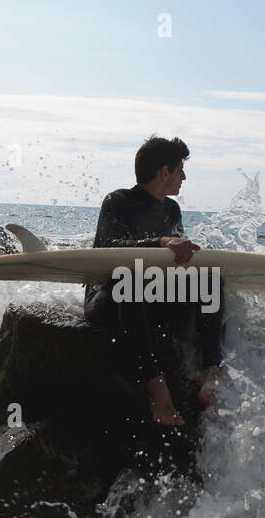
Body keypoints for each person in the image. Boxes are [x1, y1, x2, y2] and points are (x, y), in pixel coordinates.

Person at [84, 135, 224, 426]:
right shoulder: (118, 201)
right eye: (180, 170)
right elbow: (108, 248)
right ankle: (156, 385)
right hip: (110, 297)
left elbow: (179, 262)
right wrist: (160, 242)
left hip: (151, 296)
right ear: (164, 172)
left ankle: (210, 372)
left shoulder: (171, 210)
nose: (183, 177)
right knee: (132, 279)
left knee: (211, 282)